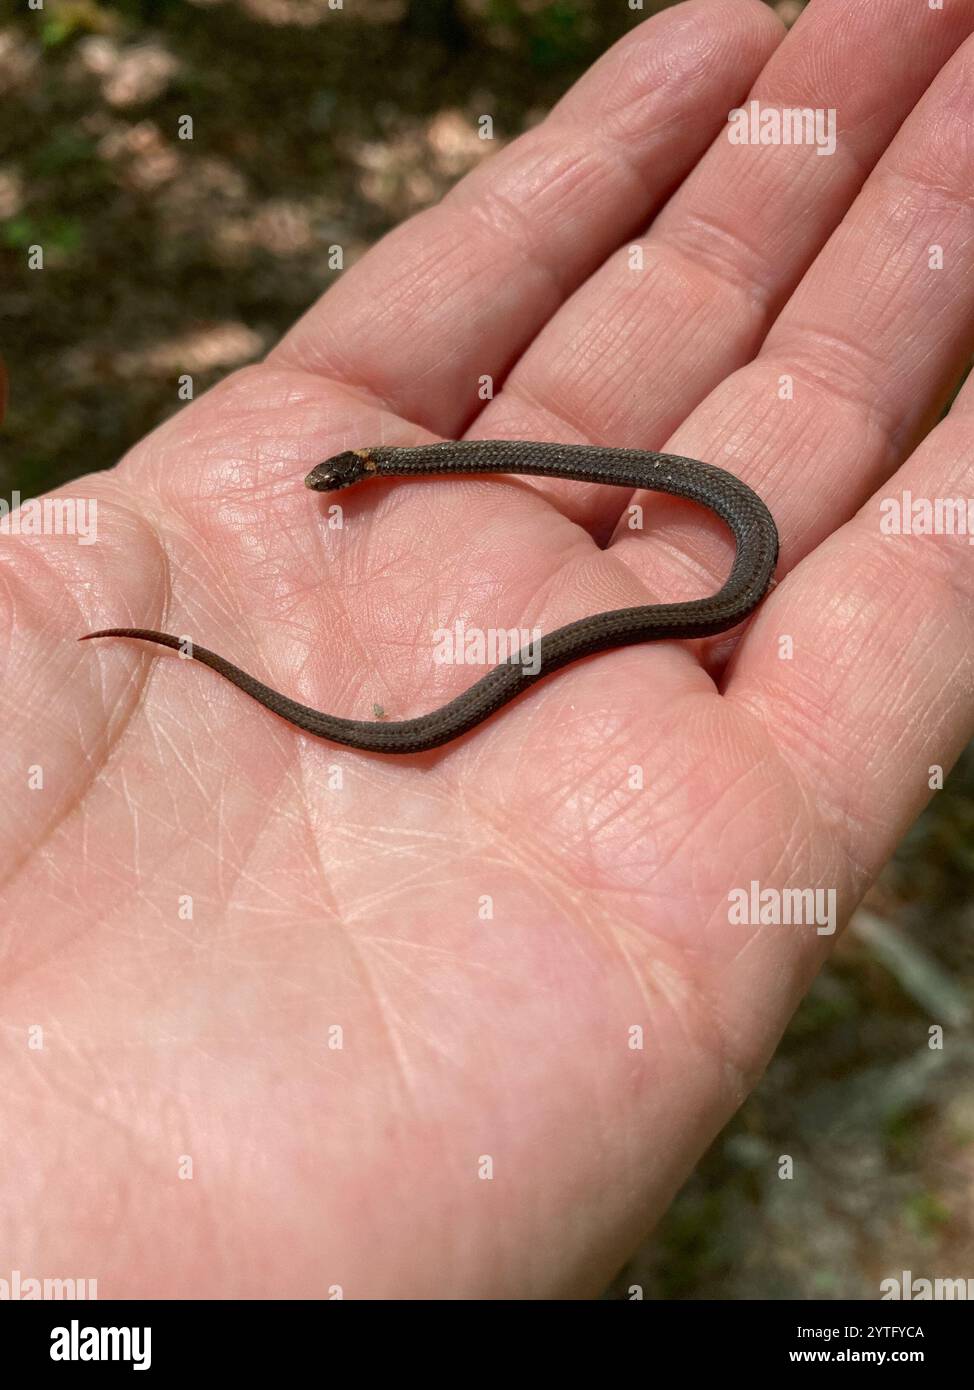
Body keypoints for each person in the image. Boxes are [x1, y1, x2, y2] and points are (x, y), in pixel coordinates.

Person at [4, 0, 974, 1297]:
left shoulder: (443, 464)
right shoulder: (395, 465)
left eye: (340, 479)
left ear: (364, 473)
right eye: (338, 479)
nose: (333, 486)